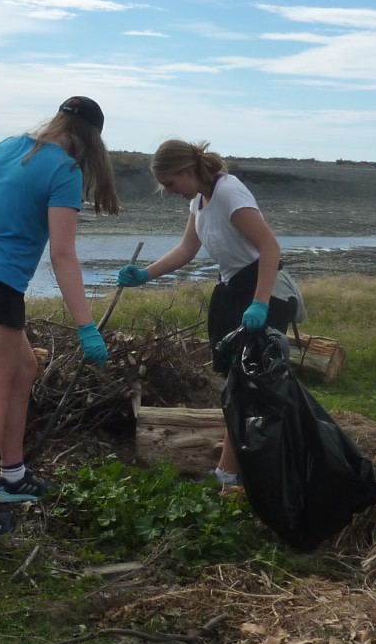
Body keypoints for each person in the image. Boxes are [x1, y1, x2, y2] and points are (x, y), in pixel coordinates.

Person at [0, 95, 119, 538]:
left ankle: (13, 476)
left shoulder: (7, 147)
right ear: (90, 138)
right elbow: (62, 254)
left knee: (25, 366)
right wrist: (86, 326)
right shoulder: (65, 171)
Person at [117, 140, 303, 489]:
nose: (168, 191)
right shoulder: (197, 201)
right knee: (241, 381)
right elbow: (188, 248)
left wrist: (260, 303)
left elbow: (270, 248)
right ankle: (244, 463)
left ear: (188, 171)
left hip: (264, 288)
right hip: (234, 289)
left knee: (247, 384)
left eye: (170, 183)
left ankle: (228, 474)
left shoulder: (230, 192)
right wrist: (146, 274)